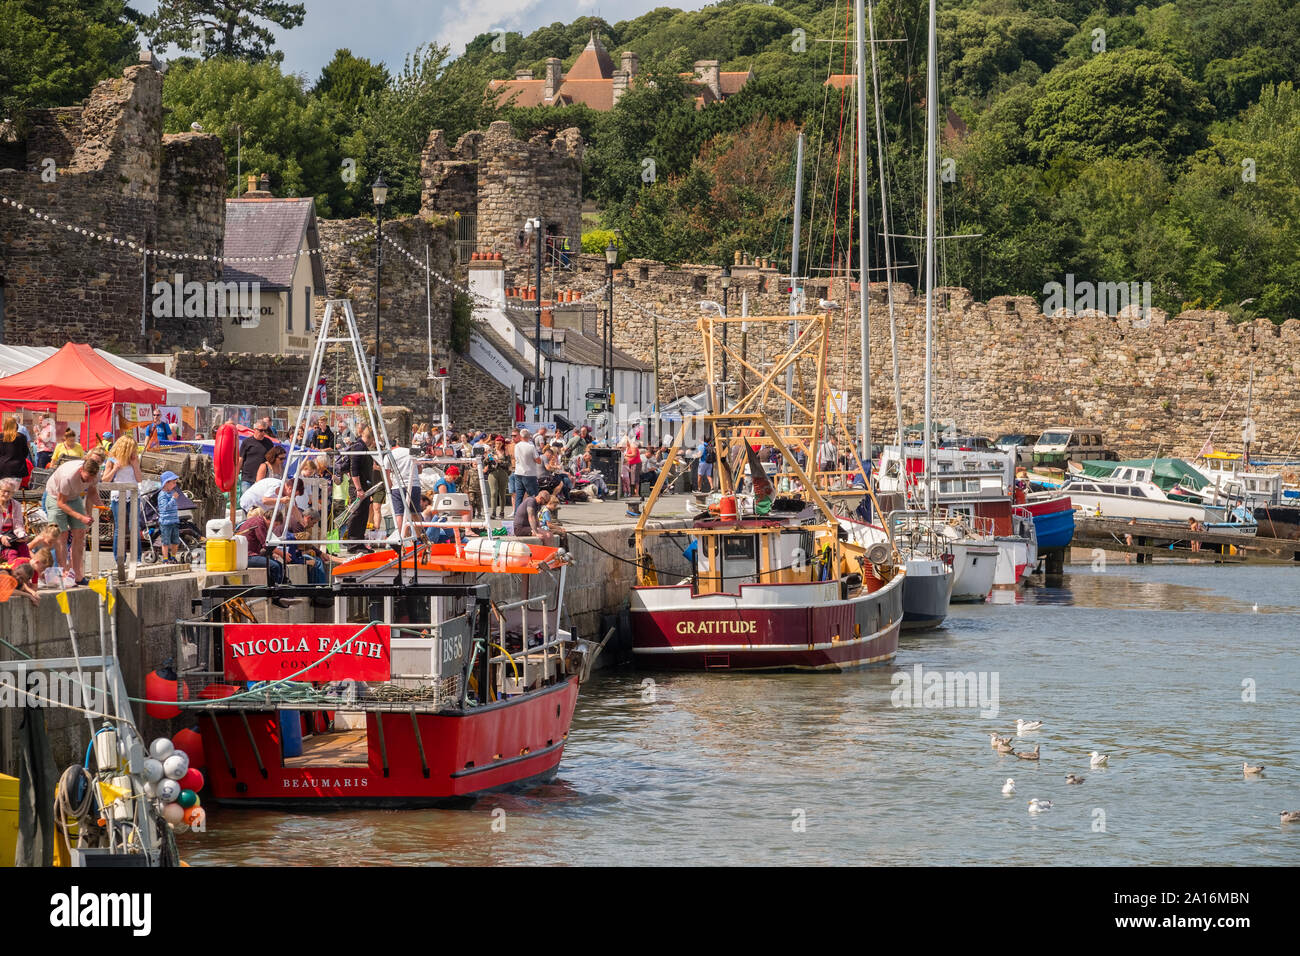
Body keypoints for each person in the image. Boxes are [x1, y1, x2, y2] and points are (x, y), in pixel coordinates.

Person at [43, 455, 100, 586]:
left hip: (74, 498)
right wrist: (82, 517)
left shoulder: (94, 475)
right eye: (86, 478)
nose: (89, 481)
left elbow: (92, 492)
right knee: (62, 535)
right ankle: (64, 573)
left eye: (92, 478)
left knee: (80, 533)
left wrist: (101, 505)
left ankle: (77, 574)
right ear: (81, 471)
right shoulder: (68, 477)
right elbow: (61, 503)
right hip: (55, 496)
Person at [235, 507, 289, 606]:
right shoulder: (259, 523)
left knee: (279, 565)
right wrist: (281, 553)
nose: (274, 527)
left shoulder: (259, 522)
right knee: (275, 566)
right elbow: (265, 543)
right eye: (275, 524)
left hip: (251, 554)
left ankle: (283, 593)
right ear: (270, 520)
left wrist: (272, 553)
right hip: (248, 556)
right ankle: (276, 596)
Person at [102, 435, 142, 560]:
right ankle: (119, 558)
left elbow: (139, 479)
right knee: (120, 528)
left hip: (133, 493)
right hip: (118, 494)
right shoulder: (112, 459)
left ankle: (137, 558)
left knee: (134, 526)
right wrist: (115, 469)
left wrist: (135, 465)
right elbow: (105, 480)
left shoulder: (134, 459)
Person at [343, 426, 377, 549]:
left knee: (363, 514)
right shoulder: (358, 447)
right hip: (358, 488)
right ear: (371, 437)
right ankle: (352, 543)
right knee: (356, 514)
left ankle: (359, 541)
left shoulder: (363, 447)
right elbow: (354, 469)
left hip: (365, 487)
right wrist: (358, 488)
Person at [238, 420, 274, 494]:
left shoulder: (269, 443)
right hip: (247, 478)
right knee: (247, 502)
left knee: (258, 503)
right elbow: (241, 458)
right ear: (255, 430)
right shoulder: (247, 442)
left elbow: (271, 460)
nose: (263, 433)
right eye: (261, 430)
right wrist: (236, 473)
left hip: (262, 479)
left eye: (265, 431)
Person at [0, 477, 30, 563]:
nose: (6, 494)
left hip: (11, 537)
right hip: (1, 538)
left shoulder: (15, 505)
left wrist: (22, 535)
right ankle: (13, 574)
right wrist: (1, 537)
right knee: (12, 554)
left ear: (13, 493)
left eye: (9, 492)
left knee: (24, 548)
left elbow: (18, 525)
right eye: (4, 491)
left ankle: (27, 573)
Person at [513, 427, 540, 509]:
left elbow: (516, 458)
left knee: (519, 495)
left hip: (518, 472)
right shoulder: (531, 446)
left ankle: (517, 514)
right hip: (529, 473)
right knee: (534, 495)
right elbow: (538, 460)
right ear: (529, 437)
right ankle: (536, 513)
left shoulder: (517, 446)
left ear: (521, 437)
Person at [485, 437, 511, 519]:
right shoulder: (491, 452)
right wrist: (488, 458)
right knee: (493, 492)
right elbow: (484, 462)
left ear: (502, 444)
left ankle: (502, 511)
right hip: (493, 473)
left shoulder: (505, 452)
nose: (498, 445)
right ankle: (493, 512)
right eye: (496, 443)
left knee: (502, 493)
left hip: (503, 473)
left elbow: (508, 464)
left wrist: (500, 461)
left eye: (499, 443)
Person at [0, 417, 32, 483]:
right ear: (16, 426)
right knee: (14, 491)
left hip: (2, 468)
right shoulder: (21, 437)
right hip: (17, 468)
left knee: (3, 490)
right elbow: (25, 452)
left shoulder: (1, 436)